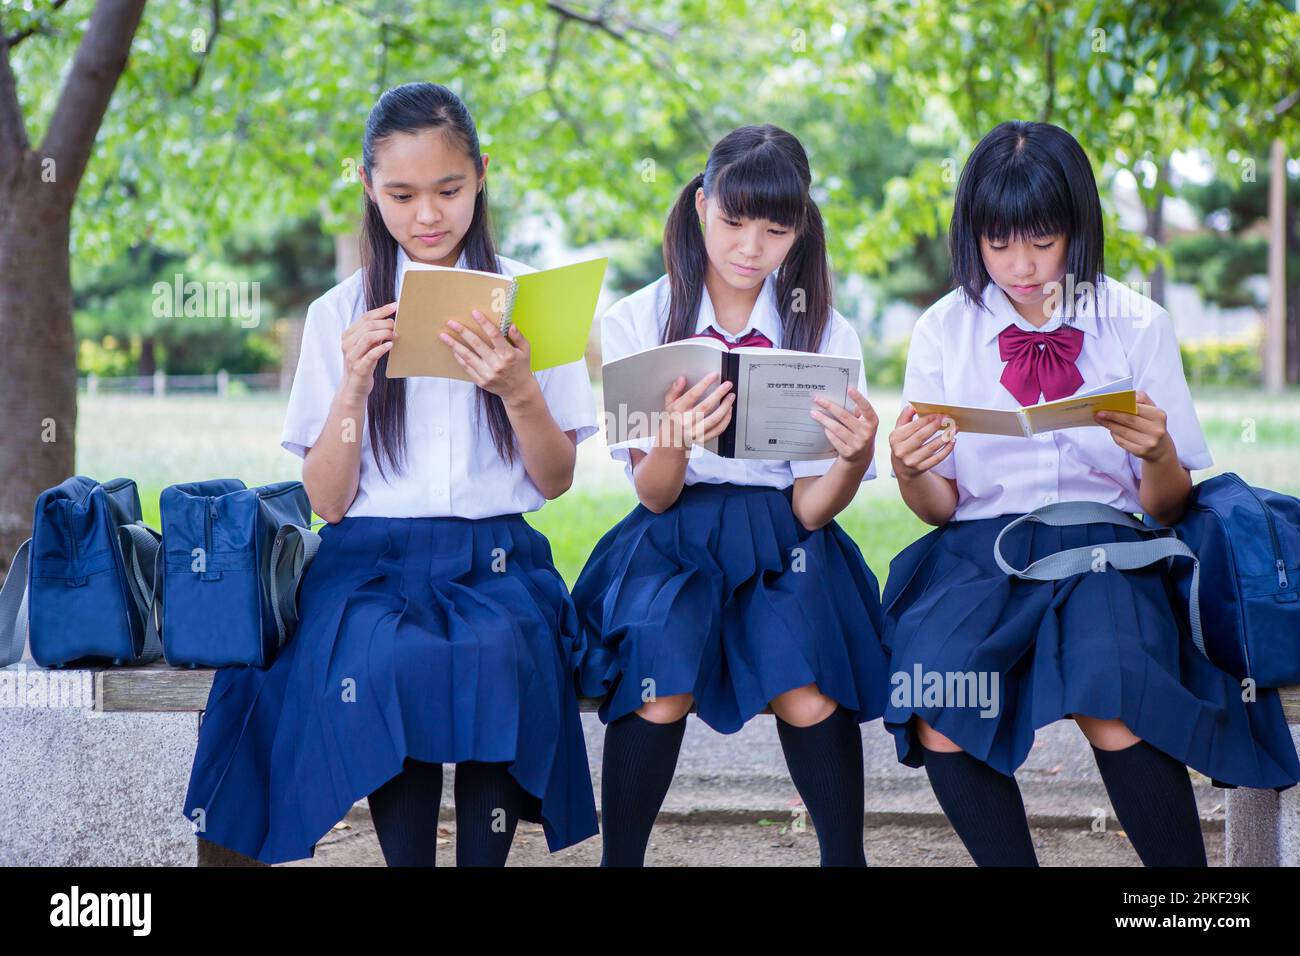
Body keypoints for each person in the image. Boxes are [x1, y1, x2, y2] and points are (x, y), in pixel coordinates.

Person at [182, 82, 599, 866]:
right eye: (402, 195)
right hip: (368, 558)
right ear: (370, 189)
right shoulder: (338, 313)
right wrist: (353, 385)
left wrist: (518, 389)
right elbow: (328, 501)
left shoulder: (531, 302)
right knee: (382, 659)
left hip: (496, 554)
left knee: (502, 652)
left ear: (481, 175)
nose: (428, 215)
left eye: (448, 190)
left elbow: (555, 480)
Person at [884, 119, 1300, 867]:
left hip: (1110, 545)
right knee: (941, 702)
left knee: (1115, 694)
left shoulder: (1136, 323)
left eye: (1042, 240)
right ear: (972, 236)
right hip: (984, 549)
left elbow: (1166, 505)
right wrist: (912, 466)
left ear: (1080, 228)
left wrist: (1160, 450)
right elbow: (939, 507)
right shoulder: (942, 330)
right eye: (998, 242)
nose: (1022, 264)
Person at [572, 124, 890, 867]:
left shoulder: (823, 328)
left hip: (787, 534)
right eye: (733, 221)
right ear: (700, 204)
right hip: (671, 530)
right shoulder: (639, 320)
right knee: (659, 684)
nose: (751, 247)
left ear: (799, 230)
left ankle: (846, 859)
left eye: (775, 230)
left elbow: (814, 506)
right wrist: (676, 440)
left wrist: (855, 457)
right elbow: (652, 495)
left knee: (807, 688)